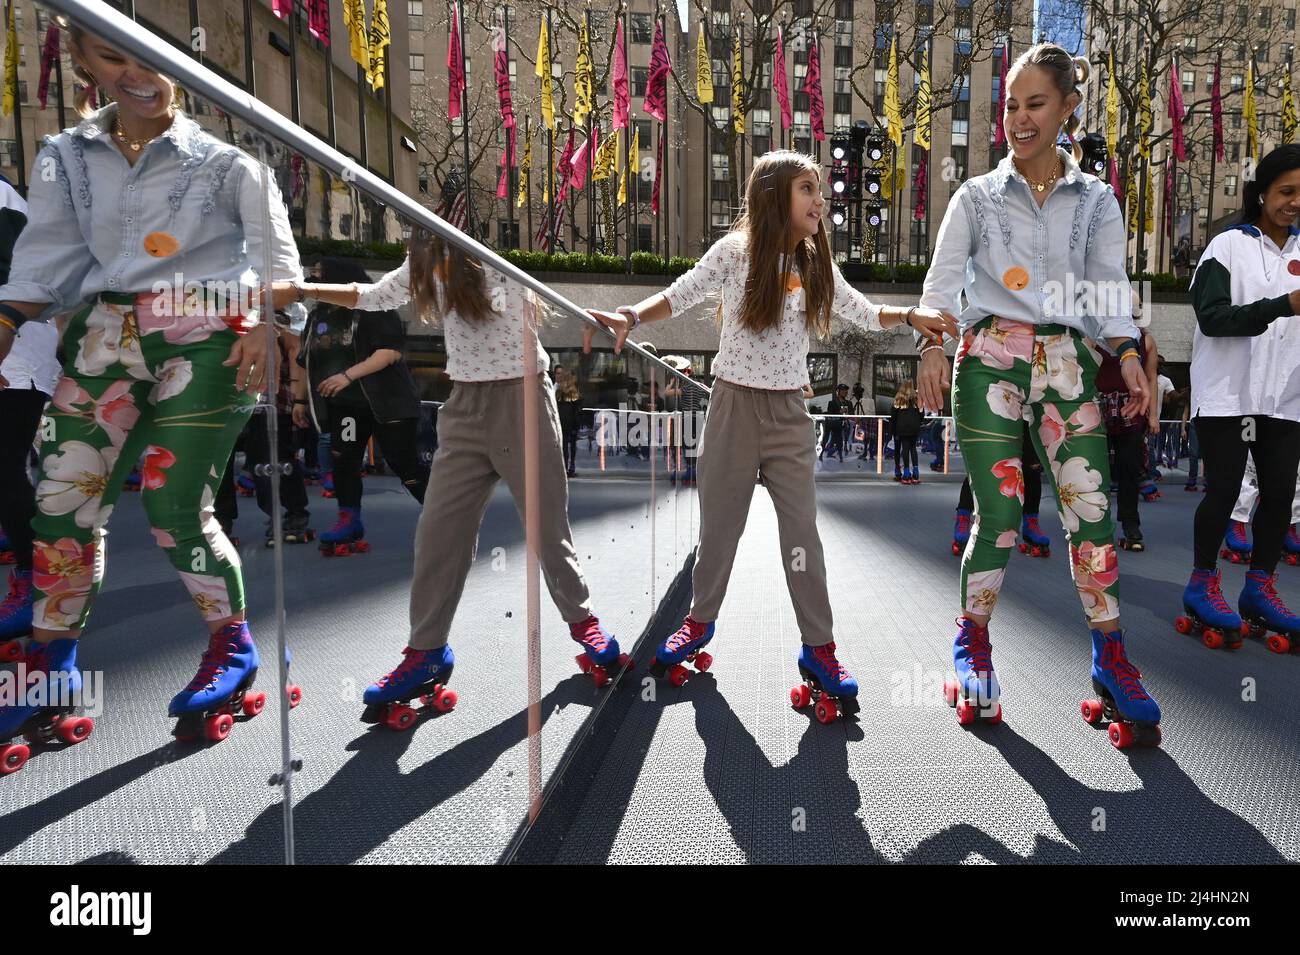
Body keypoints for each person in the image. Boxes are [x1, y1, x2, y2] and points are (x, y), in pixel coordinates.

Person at [0, 21, 304, 761]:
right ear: (80, 58)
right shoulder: (63, 158)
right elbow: (47, 259)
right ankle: (54, 668)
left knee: (174, 503)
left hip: (209, 334)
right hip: (104, 335)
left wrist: (270, 321)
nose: (138, 75)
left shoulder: (232, 163)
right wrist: (9, 315)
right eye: (112, 56)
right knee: (59, 500)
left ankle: (231, 648)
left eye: (155, 60)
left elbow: (279, 264)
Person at [585, 150, 955, 719]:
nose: (820, 200)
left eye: (821, 190)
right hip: (732, 409)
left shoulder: (812, 262)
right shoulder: (734, 254)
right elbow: (680, 294)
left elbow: (859, 310)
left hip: (788, 417)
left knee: (802, 538)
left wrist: (908, 318)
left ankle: (820, 648)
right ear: (775, 194)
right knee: (720, 531)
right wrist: (629, 314)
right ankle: (698, 622)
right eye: (808, 188)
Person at [272, 223, 629, 719]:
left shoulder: (494, 274)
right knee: (438, 533)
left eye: (422, 254)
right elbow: (371, 295)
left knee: (547, 529)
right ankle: (426, 650)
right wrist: (304, 290)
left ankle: (583, 621)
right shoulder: (426, 270)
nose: (416, 271)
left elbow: (533, 305)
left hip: (521, 399)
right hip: (463, 409)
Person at [919, 43, 1161, 747]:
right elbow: (939, 287)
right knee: (997, 509)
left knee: (1090, 509)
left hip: (1066, 361)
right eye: (1011, 106)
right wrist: (933, 345)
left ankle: (1111, 657)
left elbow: (1108, 289)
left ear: (1066, 109)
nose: (1020, 120)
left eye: (1036, 105)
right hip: (989, 356)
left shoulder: (1097, 200)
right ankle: (973, 642)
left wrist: (1127, 354)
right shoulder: (975, 196)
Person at [1181, 143, 1300, 651]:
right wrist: (1283, 306)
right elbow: (1212, 318)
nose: (1294, 202)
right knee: (1225, 490)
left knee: (1278, 498)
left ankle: (1258, 589)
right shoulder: (1227, 246)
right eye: (1286, 191)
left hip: (1285, 399)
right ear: (1262, 194)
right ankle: (1202, 583)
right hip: (1229, 396)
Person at [292, 257, 429, 556]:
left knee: (405, 466)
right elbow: (305, 360)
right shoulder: (316, 317)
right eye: (312, 275)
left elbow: (389, 352)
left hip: (387, 402)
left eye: (318, 275)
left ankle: (445, 518)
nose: (313, 280)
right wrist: (299, 400)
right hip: (346, 407)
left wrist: (347, 375)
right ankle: (349, 519)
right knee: (344, 461)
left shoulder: (373, 305)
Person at [0, 174, 61, 660]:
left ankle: (34, 582)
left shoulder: (3, 197)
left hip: (13, 348)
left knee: (4, 464)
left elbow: (22, 278)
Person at [890, 379, 924, 484]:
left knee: (905, 449)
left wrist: (893, 430)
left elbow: (893, 416)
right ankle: (916, 474)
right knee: (913, 448)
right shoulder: (916, 399)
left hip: (902, 428)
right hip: (914, 428)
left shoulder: (898, 399)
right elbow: (922, 415)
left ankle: (906, 474)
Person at [554, 364, 581, 477]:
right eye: (557, 373)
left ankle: (569, 467)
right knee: (565, 445)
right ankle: (566, 467)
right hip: (564, 422)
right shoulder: (558, 390)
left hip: (569, 422)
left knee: (569, 444)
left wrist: (576, 423)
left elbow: (576, 407)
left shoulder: (571, 391)